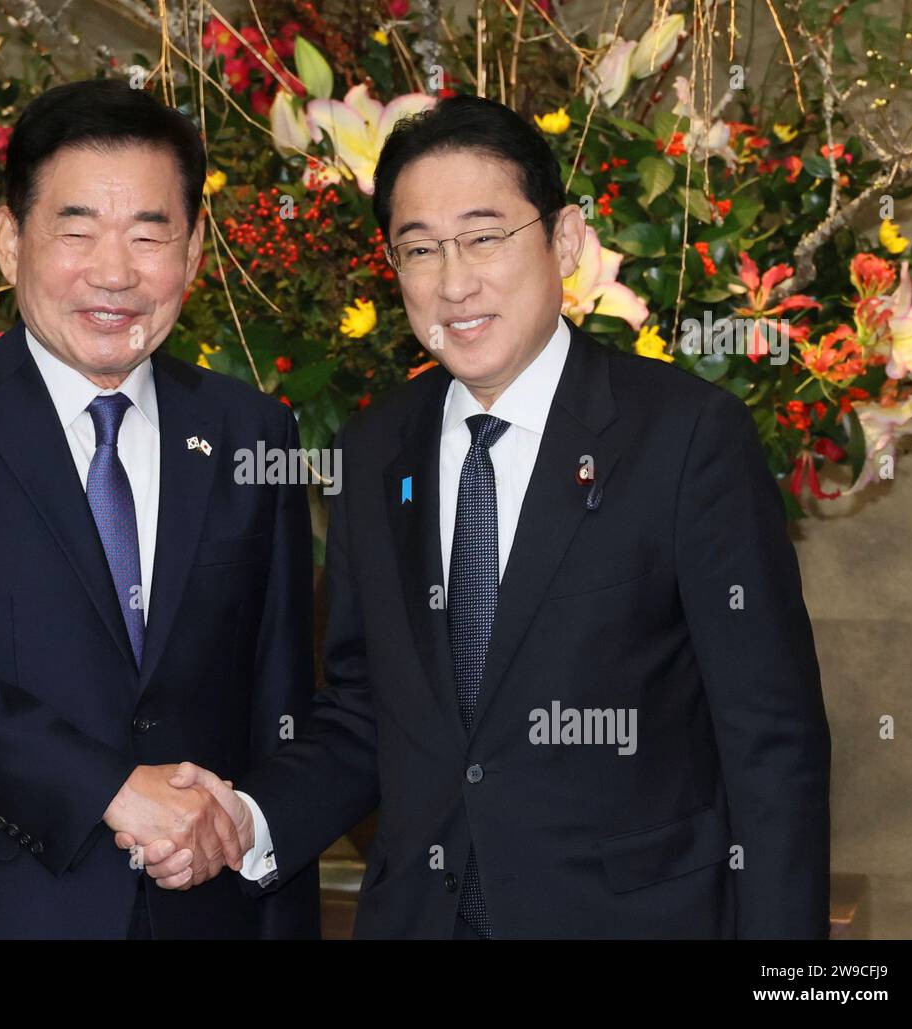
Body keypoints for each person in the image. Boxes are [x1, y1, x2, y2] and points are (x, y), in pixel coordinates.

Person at [121, 95, 832, 939]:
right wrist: (248, 817)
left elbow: (771, 739)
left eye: (485, 235)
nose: (454, 282)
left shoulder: (685, 437)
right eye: (419, 249)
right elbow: (363, 714)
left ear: (564, 239)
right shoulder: (375, 449)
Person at [0, 79, 318, 939]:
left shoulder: (255, 429)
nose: (114, 272)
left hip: (203, 914)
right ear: (9, 241)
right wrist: (110, 788)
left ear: (196, 250)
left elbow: (279, 699)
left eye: (149, 232)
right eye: (76, 228)